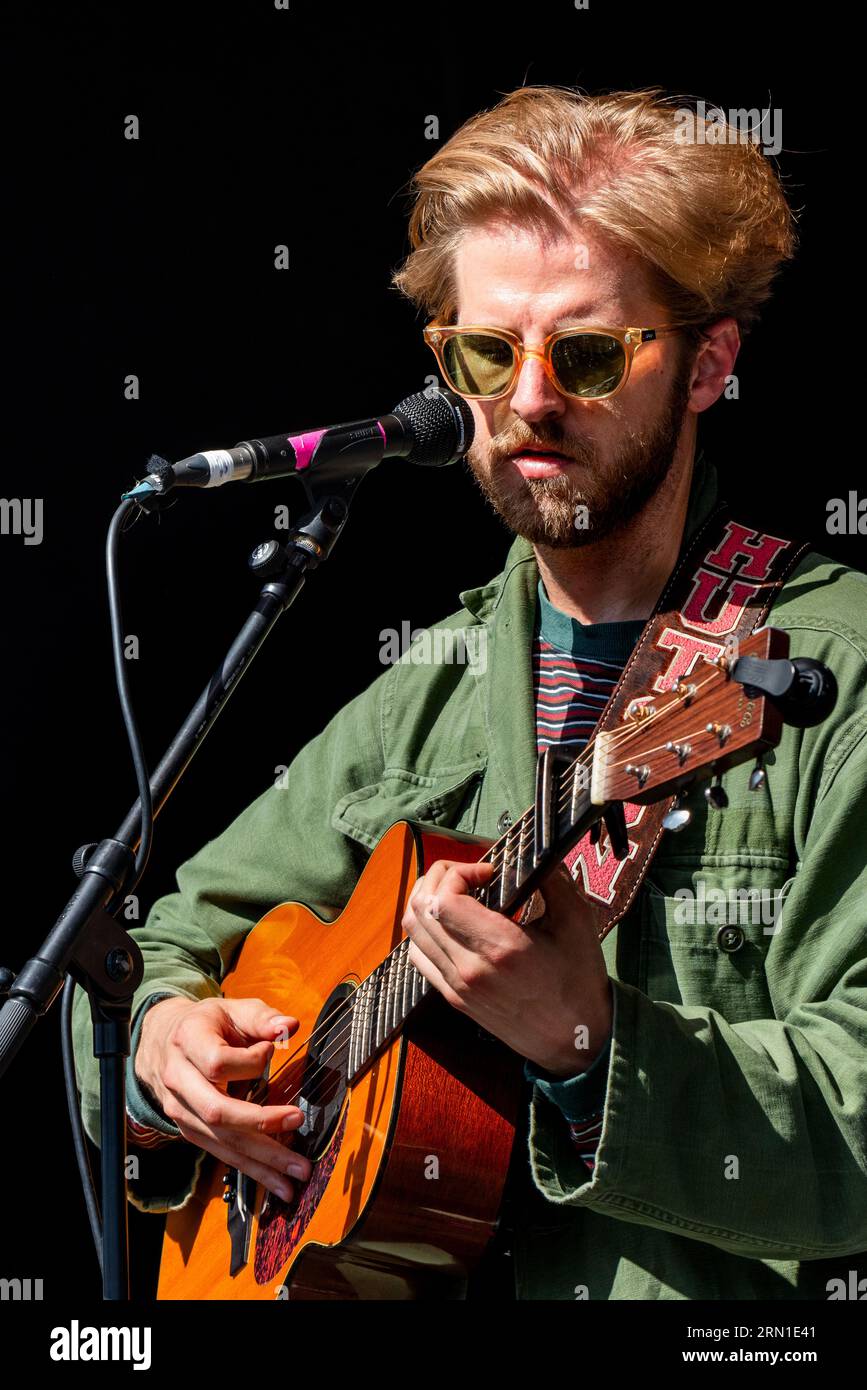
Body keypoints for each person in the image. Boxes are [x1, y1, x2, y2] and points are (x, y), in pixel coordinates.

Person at [72, 85, 867, 1300]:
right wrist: (159, 1048)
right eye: (490, 353)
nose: (531, 398)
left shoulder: (837, 662)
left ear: (708, 364)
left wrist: (590, 1044)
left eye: (589, 352)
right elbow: (157, 948)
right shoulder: (434, 687)